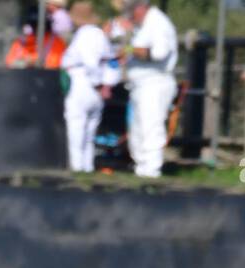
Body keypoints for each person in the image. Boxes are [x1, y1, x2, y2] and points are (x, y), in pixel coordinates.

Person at [122, 0, 178, 177]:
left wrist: (129, 48)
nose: (130, 15)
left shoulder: (158, 23)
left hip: (155, 84)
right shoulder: (144, 24)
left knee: (150, 128)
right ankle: (142, 170)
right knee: (138, 132)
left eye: (131, 10)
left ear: (141, 7)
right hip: (140, 85)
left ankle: (152, 171)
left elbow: (158, 53)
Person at [61, 2, 115, 172]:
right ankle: (87, 166)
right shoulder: (101, 36)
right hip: (97, 88)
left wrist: (98, 83)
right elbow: (111, 64)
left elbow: (90, 62)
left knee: (76, 127)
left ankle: (77, 167)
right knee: (90, 132)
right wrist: (107, 85)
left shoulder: (85, 35)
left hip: (82, 83)